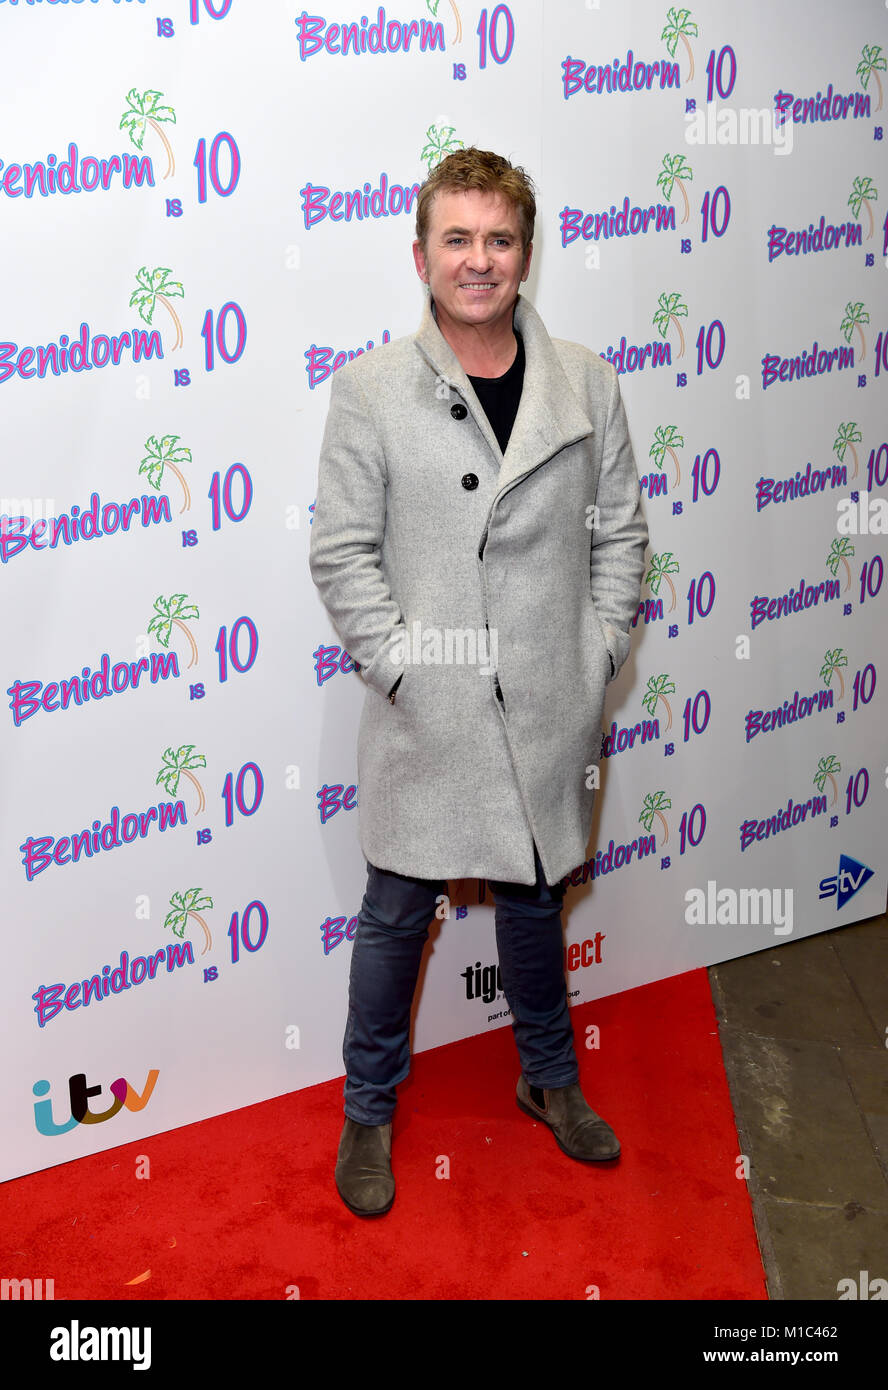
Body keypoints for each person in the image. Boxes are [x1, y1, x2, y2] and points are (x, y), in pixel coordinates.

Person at [309, 148, 648, 1217]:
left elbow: (623, 536)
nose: (478, 259)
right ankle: (370, 1106)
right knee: (395, 912)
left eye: (498, 239)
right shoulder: (368, 389)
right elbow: (343, 552)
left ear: (526, 255)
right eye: (457, 238)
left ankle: (549, 1078)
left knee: (536, 896)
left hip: (549, 704)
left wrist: (592, 653)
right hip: (432, 714)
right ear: (421, 254)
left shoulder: (587, 382)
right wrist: (404, 669)